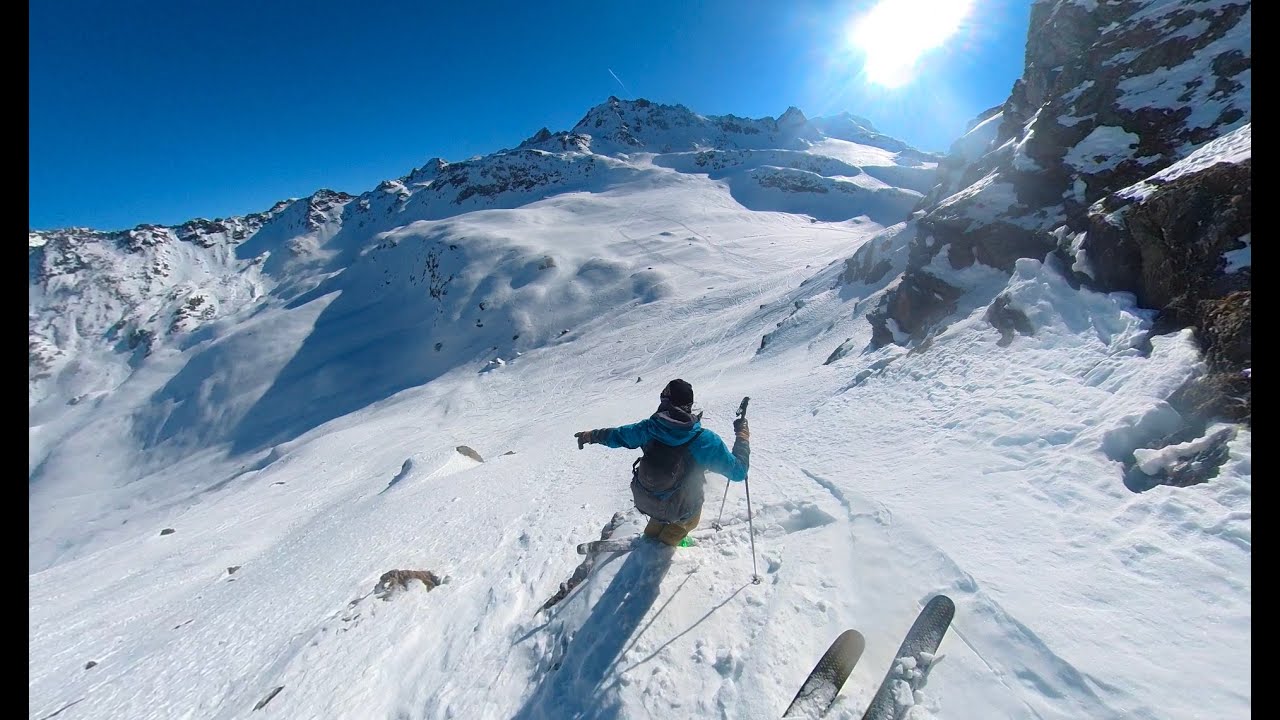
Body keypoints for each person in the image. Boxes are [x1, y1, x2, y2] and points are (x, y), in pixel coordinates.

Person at [574, 379, 750, 546]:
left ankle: (650, 538)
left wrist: (590, 436)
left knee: (662, 508)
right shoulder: (704, 440)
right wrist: (742, 437)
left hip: (647, 499)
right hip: (682, 509)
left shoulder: (649, 428)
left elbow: (618, 435)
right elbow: (738, 472)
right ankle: (666, 544)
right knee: (683, 520)